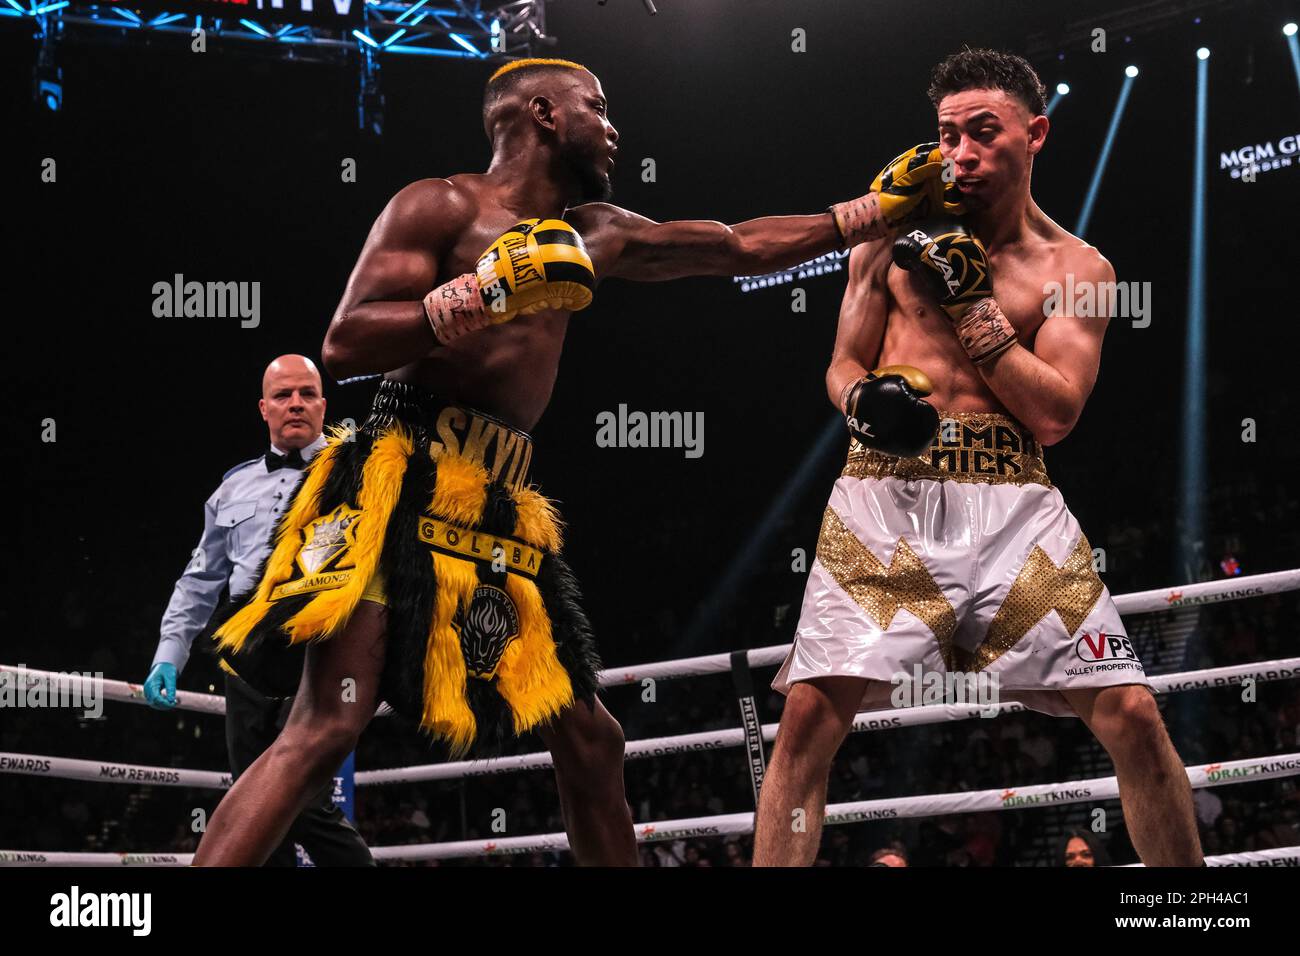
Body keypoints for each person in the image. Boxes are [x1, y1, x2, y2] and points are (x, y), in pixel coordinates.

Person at [193, 57, 918, 866]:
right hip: (397, 472)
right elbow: (346, 343)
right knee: (327, 724)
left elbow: (737, 246)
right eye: (598, 108)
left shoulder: (596, 231)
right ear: (542, 113)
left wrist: (871, 211)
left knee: (590, 741)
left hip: (495, 503)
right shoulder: (440, 204)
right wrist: (484, 292)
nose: (613, 129)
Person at [753, 48, 1202, 867]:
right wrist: (861, 403)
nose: (958, 152)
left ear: (1035, 135)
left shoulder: (1082, 269)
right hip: (886, 497)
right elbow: (842, 364)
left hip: (1015, 505)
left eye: (981, 133)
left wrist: (970, 301)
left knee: (1133, 716)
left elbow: (1057, 412)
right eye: (946, 134)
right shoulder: (885, 242)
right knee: (807, 724)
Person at [145, 355, 372, 866]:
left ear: (323, 406)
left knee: (300, 801)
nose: (296, 403)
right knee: (253, 802)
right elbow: (200, 578)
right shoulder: (232, 487)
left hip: (319, 648)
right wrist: (169, 653)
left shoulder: (359, 474)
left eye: (307, 393)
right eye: (284, 394)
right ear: (264, 408)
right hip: (243, 655)